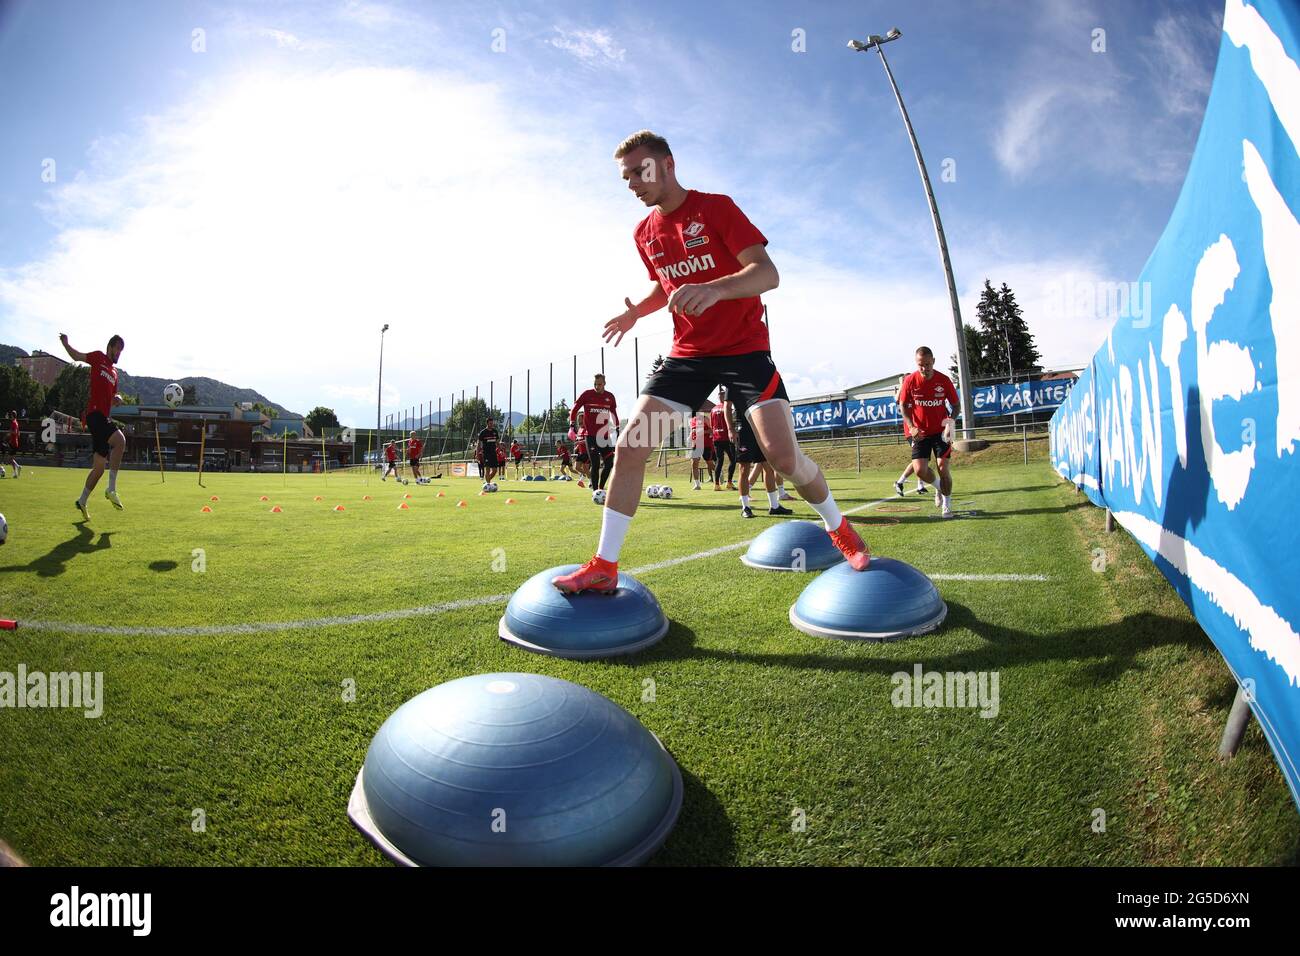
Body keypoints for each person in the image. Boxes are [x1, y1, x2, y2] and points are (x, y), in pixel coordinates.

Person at [553, 130, 869, 593]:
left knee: (783, 457)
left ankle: (839, 528)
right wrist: (636, 312)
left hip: (745, 352)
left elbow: (767, 273)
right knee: (628, 447)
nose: (632, 184)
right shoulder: (643, 233)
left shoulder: (716, 208)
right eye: (624, 178)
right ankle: (605, 564)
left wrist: (716, 288)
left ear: (668, 164)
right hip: (688, 358)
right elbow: (666, 286)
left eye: (639, 172)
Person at [59, 332, 126, 519]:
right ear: (110, 347)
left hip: (102, 418)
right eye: (118, 349)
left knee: (99, 468)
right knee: (120, 441)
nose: (119, 353)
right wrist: (66, 343)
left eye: (122, 351)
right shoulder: (98, 357)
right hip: (95, 415)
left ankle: (82, 500)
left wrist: (117, 399)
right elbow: (77, 356)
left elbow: (111, 399)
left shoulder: (114, 373)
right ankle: (111, 489)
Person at [898, 346, 957, 518]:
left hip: (941, 432)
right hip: (920, 433)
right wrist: (911, 426)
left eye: (927, 364)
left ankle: (947, 505)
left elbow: (956, 405)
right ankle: (940, 488)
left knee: (942, 467)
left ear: (934, 361)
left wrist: (949, 423)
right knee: (919, 470)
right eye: (920, 365)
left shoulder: (944, 380)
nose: (924, 368)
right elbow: (903, 406)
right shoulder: (910, 381)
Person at [726, 395, 791, 518]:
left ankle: (774, 506)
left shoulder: (758, 382)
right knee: (744, 468)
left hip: (762, 428)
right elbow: (727, 406)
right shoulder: (732, 382)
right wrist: (730, 429)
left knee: (768, 466)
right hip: (744, 430)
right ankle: (745, 507)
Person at [571, 373, 618, 494]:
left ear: (604, 383)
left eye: (600, 384)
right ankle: (595, 490)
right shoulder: (587, 394)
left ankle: (601, 489)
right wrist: (572, 425)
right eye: (595, 384)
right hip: (590, 436)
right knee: (595, 463)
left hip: (604, 437)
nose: (597, 387)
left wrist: (617, 427)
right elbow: (575, 408)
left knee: (609, 463)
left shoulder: (610, 397)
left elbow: (613, 413)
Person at [891, 375, 928, 498]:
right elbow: (896, 399)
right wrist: (902, 384)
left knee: (923, 459)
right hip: (911, 431)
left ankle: (920, 485)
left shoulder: (916, 394)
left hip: (921, 430)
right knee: (918, 459)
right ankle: (900, 482)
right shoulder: (903, 394)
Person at [711, 387, 737, 491]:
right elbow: (732, 421)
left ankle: (716, 484)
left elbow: (712, 425)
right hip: (726, 437)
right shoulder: (728, 408)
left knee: (719, 461)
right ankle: (729, 483)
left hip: (716, 438)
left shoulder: (713, 409)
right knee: (733, 460)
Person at [6, 411, 19, 478]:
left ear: (13, 416)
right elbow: (18, 433)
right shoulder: (16, 422)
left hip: (13, 443)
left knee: (9, 459)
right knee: (11, 459)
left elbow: (15, 432)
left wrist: (10, 432)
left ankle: (16, 470)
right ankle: (16, 472)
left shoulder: (14, 423)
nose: (10, 417)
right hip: (14, 442)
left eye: (11, 415)